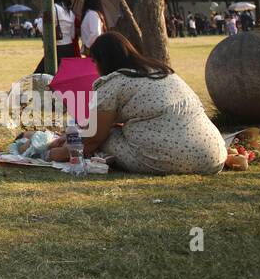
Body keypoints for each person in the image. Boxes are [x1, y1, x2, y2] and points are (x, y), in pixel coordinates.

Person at [46, 31, 227, 175]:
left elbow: (94, 136)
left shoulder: (114, 82)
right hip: (212, 156)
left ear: (102, 61)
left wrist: (58, 153)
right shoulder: (161, 71)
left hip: (168, 158)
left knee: (108, 136)